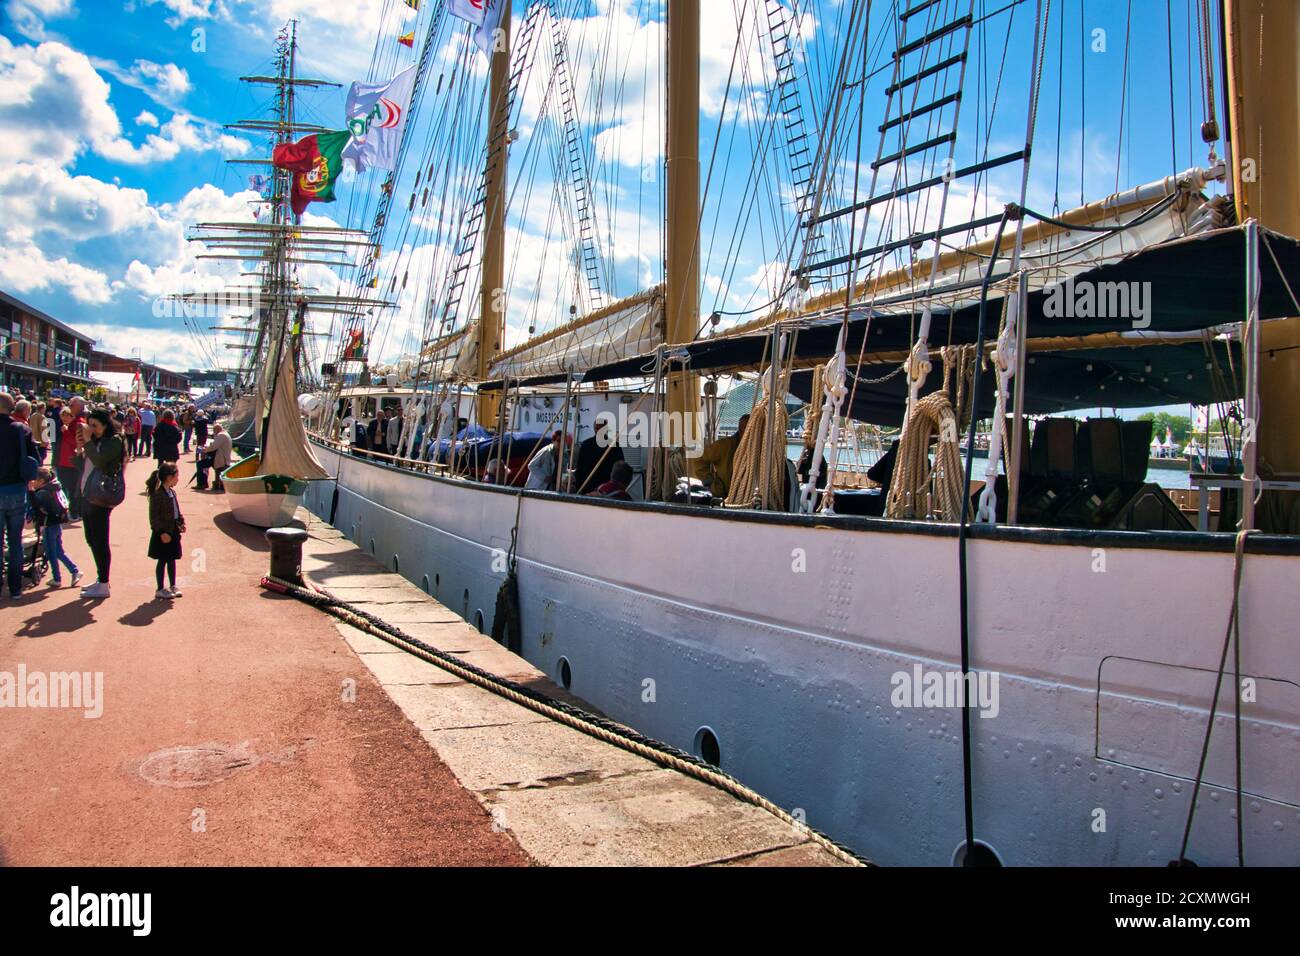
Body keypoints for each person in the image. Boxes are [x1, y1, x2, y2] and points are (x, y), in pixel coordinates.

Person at [77, 408, 125, 599]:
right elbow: (86, 463)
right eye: (89, 425)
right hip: (88, 493)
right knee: (91, 538)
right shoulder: (96, 441)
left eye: (94, 425)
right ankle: (100, 578)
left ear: (105, 424)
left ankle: (104, 583)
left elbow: (100, 462)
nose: (91, 429)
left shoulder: (114, 441)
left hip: (101, 495)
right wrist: (81, 445)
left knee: (100, 539)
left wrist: (88, 441)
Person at [0, 392, 40, 599]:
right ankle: (15, 588)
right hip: (16, 490)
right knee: (15, 541)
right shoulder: (21, 429)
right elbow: (36, 459)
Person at [27, 466, 81, 588]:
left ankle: (60, 577)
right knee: (59, 551)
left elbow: (36, 507)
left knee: (52, 552)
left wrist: (30, 492)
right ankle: (72, 571)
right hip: (56, 524)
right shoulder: (54, 487)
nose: (32, 483)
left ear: (41, 481)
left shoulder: (42, 493)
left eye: (33, 480)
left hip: (48, 525)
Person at [146, 461, 185, 599]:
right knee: (162, 560)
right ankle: (160, 588)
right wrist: (161, 532)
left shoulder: (172, 492)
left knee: (172, 559)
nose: (178, 479)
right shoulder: (157, 494)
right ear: (169, 477)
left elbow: (176, 511)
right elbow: (154, 517)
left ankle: (173, 585)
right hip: (163, 533)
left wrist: (181, 522)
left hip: (173, 531)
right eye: (177, 476)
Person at [691, 413, 749, 498]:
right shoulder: (725, 446)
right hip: (724, 495)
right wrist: (709, 482)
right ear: (741, 428)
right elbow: (699, 458)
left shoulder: (762, 450)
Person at [572, 418, 624, 494]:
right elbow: (580, 468)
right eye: (597, 428)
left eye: (601, 428)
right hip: (588, 488)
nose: (598, 431)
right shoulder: (586, 445)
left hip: (606, 489)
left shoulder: (614, 446)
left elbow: (619, 468)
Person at [55, 405, 84, 521]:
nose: (64, 420)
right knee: (65, 487)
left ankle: (74, 512)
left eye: (66, 417)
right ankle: (70, 510)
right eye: (63, 418)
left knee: (73, 489)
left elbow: (75, 442)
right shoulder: (61, 425)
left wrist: (66, 432)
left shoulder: (75, 426)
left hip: (71, 462)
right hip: (63, 461)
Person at [199, 422, 233, 492]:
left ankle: (202, 484)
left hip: (221, 460)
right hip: (222, 458)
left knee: (201, 464)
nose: (214, 433)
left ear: (216, 430)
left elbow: (214, 447)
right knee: (204, 464)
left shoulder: (221, 435)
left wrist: (204, 450)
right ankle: (210, 483)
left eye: (214, 431)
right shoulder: (225, 434)